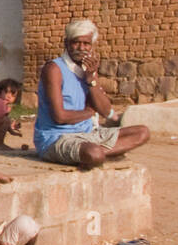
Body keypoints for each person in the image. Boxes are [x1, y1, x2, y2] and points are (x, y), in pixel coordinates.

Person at [35, 19, 150, 167]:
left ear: (92, 46)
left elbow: (105, 111)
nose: (81, 48)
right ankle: (101, 153)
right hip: (57, 138)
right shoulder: (54, 69)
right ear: (66, 43)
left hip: (88, 135)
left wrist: (91, 80)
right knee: (94, 154)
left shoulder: (87, 69)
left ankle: (99, 153)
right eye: (76, 42)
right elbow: (60, 117)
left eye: (86, 44)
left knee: (142, 132)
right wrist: (89, 112)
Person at [0, 78, 27, 150]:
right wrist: (7, 111)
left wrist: (12, 131)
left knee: (6, 120)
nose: (9, 97)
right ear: (0, 92)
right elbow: (2, 118)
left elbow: (2, 122)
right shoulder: (0, 102)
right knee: (6, 119)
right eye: (7, 93)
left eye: (13, 95)